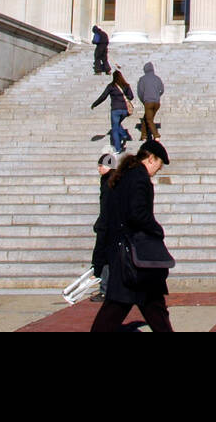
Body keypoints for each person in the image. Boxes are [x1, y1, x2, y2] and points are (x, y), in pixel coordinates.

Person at [90, 140, 174, 332]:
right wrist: (157, 230)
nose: (157, 171)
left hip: (125, 253)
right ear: (151, 158)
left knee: (152, 305)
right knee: (120, 306)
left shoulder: (124, 175)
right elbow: (138, 214)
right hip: (133, 256)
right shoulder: (139, 178)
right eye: (158, 166)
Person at [89, 152, 118, 302]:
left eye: (101, 166)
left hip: (109, 226)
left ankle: (106, 289)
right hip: (108, 224)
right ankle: (107, 288)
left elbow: (107, 207)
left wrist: (103, 223)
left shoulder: (109, 182)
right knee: (107, 257)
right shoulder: (108, 180)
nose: (98, 169)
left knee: (106, 257)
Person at [90, 70, 135, 153]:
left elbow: (103, 96)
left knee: (114, 128)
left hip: (115, 110)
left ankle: (118, 148)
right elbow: (131, 97)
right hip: (125, 110)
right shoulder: (126, 85)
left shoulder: (111, 86)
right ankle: (124, 134)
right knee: (117, 124)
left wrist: (95, 104)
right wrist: (124, 97)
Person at [136, 62, 165, 142]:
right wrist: (157, 96)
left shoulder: (142, 79)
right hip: (157, 103)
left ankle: (156, 135)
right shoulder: (157, 78)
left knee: (149, 120)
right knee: (147, 118)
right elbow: (162, 90)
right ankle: (144, 136)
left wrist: (144, 100)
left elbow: (140, 92)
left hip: (148, 102)